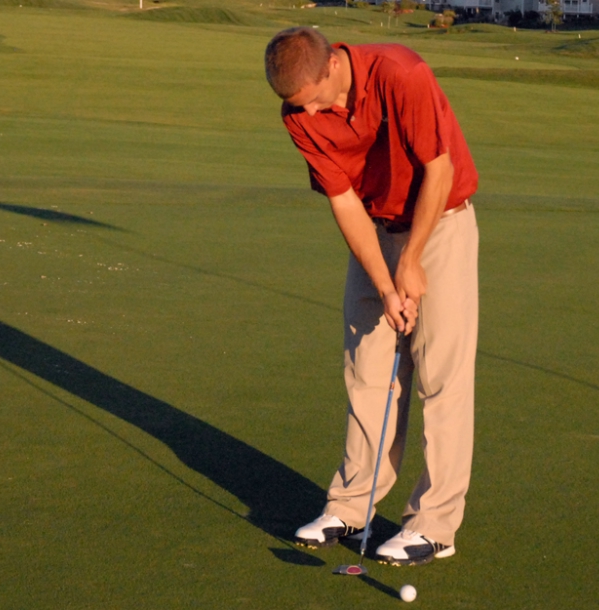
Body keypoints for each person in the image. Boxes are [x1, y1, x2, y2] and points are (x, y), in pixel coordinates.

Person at [264, 26, 479, 566]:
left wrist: (412, 260)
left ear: (333, 65)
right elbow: (343, 200)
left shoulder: (401, 74)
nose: (308, 114)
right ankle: (350, 507)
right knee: (367, 371)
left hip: (441, 222)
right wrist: (386, 284)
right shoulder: (298, 113)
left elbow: (439, 169)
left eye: (313, 100)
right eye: (297, 106)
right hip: (376, 227)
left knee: (440, 376)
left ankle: (435, 526)